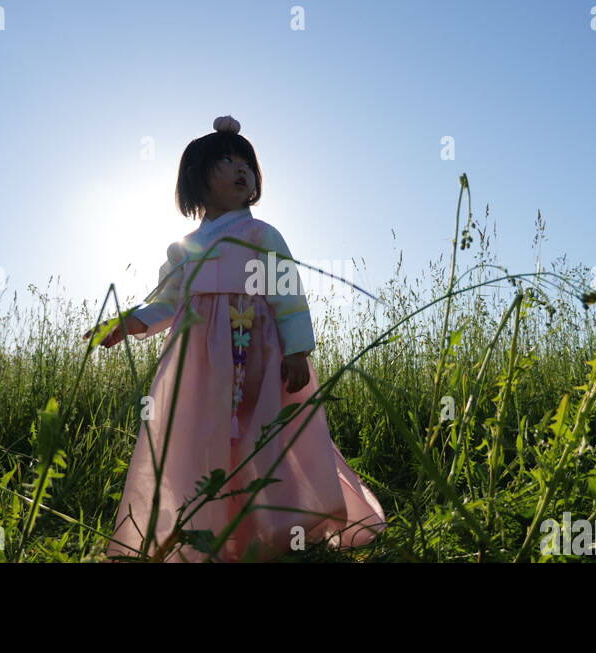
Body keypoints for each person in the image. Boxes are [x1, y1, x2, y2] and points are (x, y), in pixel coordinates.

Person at [84, 115, 387, 562]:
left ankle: (276, 530)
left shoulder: (261, 234)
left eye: (246, 161)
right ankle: (204, 534)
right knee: (199, 440)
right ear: (195, 180)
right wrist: (129, 323)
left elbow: (286, 290)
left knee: (262, 437)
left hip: (258, 354)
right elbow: (168, 304)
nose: (241, 168)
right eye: (226, 160)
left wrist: (297, 347)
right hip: (199, 363)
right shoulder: (183, 248)